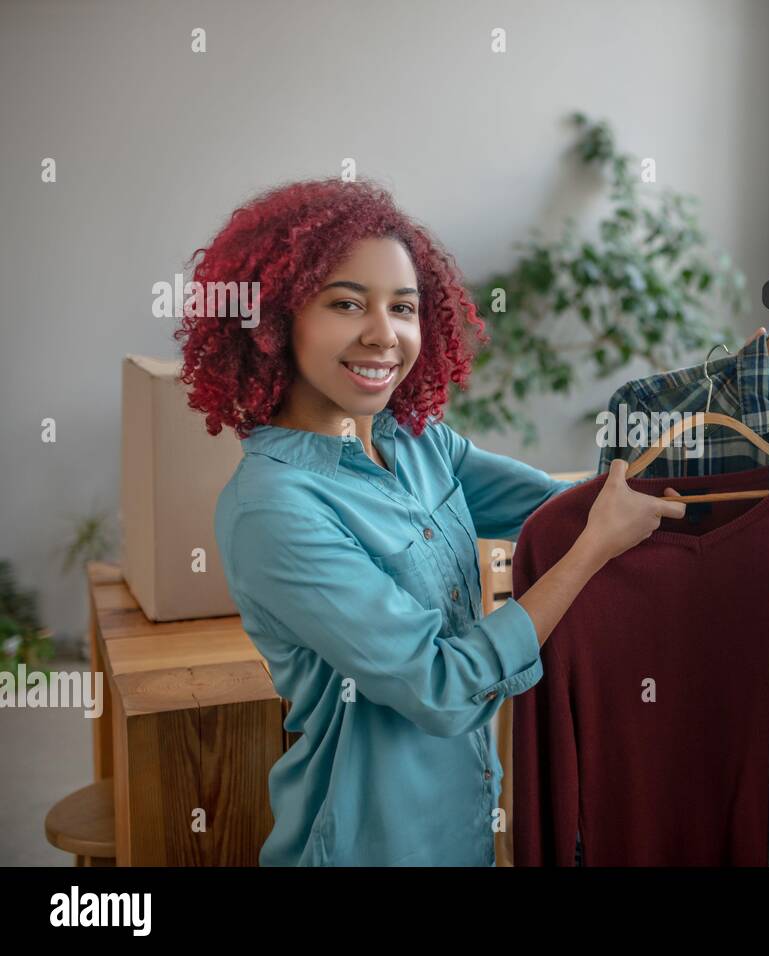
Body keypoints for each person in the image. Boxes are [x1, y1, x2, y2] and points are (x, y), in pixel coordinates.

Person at [176, 177, 685, 865]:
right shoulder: (274, 509)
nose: (384, 334)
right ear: (274, 320)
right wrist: (594, 548)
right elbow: (442, 687)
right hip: (367, 846)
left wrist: (697, 476)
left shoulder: (416, 442)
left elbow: (557, 509)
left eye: (405, 308)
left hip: (465, 832)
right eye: (347, 303)